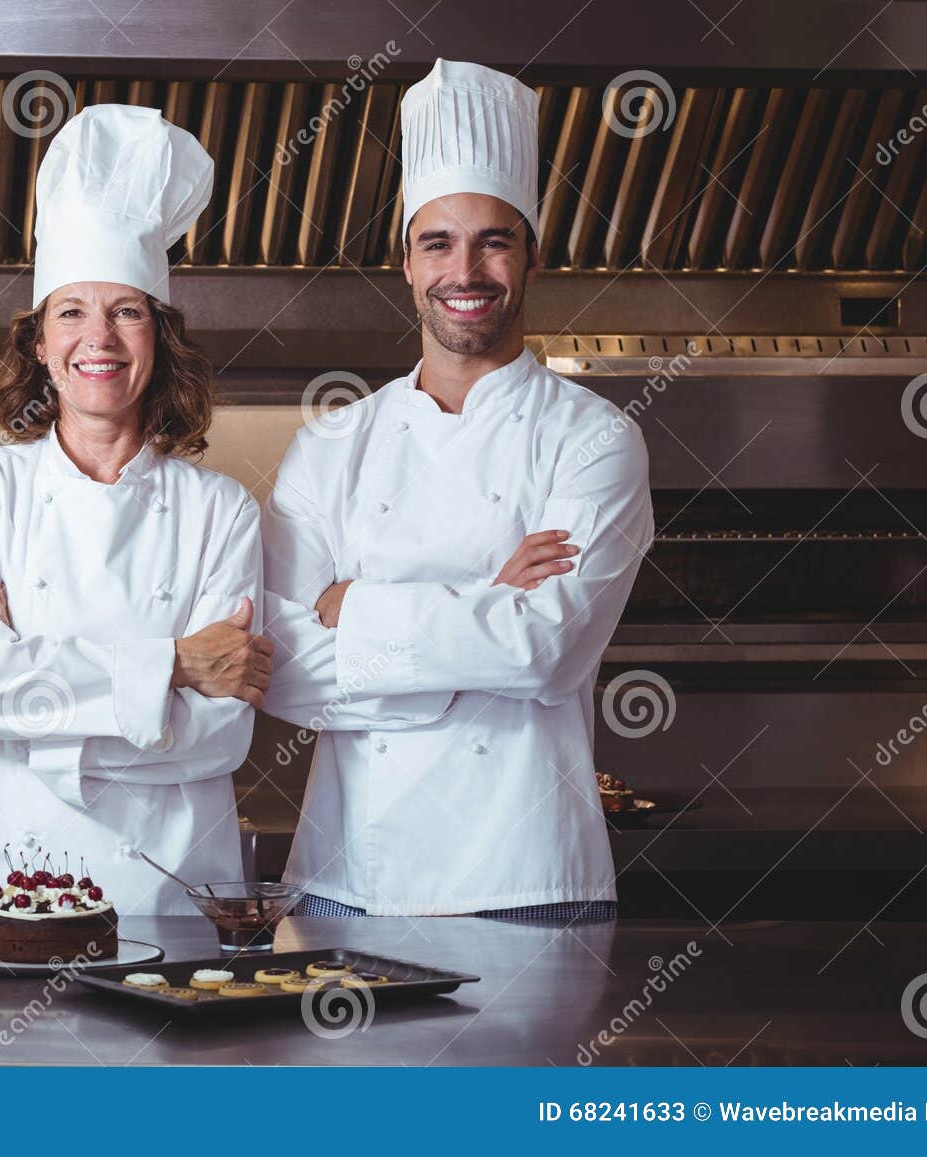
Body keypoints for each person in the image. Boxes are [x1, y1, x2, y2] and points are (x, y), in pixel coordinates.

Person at [262, 60, 654, 921]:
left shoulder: (594, 439)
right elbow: (282, 671)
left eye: (493, 240)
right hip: (347, 878)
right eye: (437, 242)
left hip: (527, 878)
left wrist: (350, 602)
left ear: (533, 257)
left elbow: (546, 650)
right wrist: (484, 609)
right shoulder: (333, 441)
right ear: (405, 262)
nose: (464, 270)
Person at [0, 105, 270, 917]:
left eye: (127, 309)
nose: (100, 338)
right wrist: (175, 666)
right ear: (40, 342)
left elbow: (226, 733)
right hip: (2, 884)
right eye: (71, 311)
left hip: (172, 890)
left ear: (159, 336)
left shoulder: (222, 511)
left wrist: (40, 722)